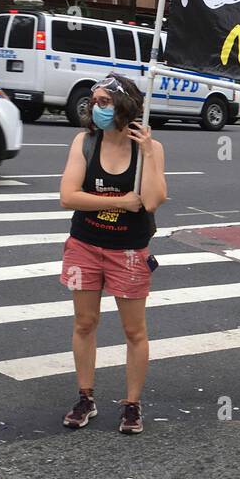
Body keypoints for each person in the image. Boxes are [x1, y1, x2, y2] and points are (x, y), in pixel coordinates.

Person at [58, 74, 167, 434]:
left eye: (105, 102)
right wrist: (121, 201)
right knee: (84, 323)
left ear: (125, 106)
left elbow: (151, 201)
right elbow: (68, 197)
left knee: (134, 330)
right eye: (95, 101)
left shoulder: (148, 147)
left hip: (129, 251)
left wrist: (149, 153)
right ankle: (85, 397)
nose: (96, 108)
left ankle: (132, 405)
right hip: (84, 245)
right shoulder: (85, 141)